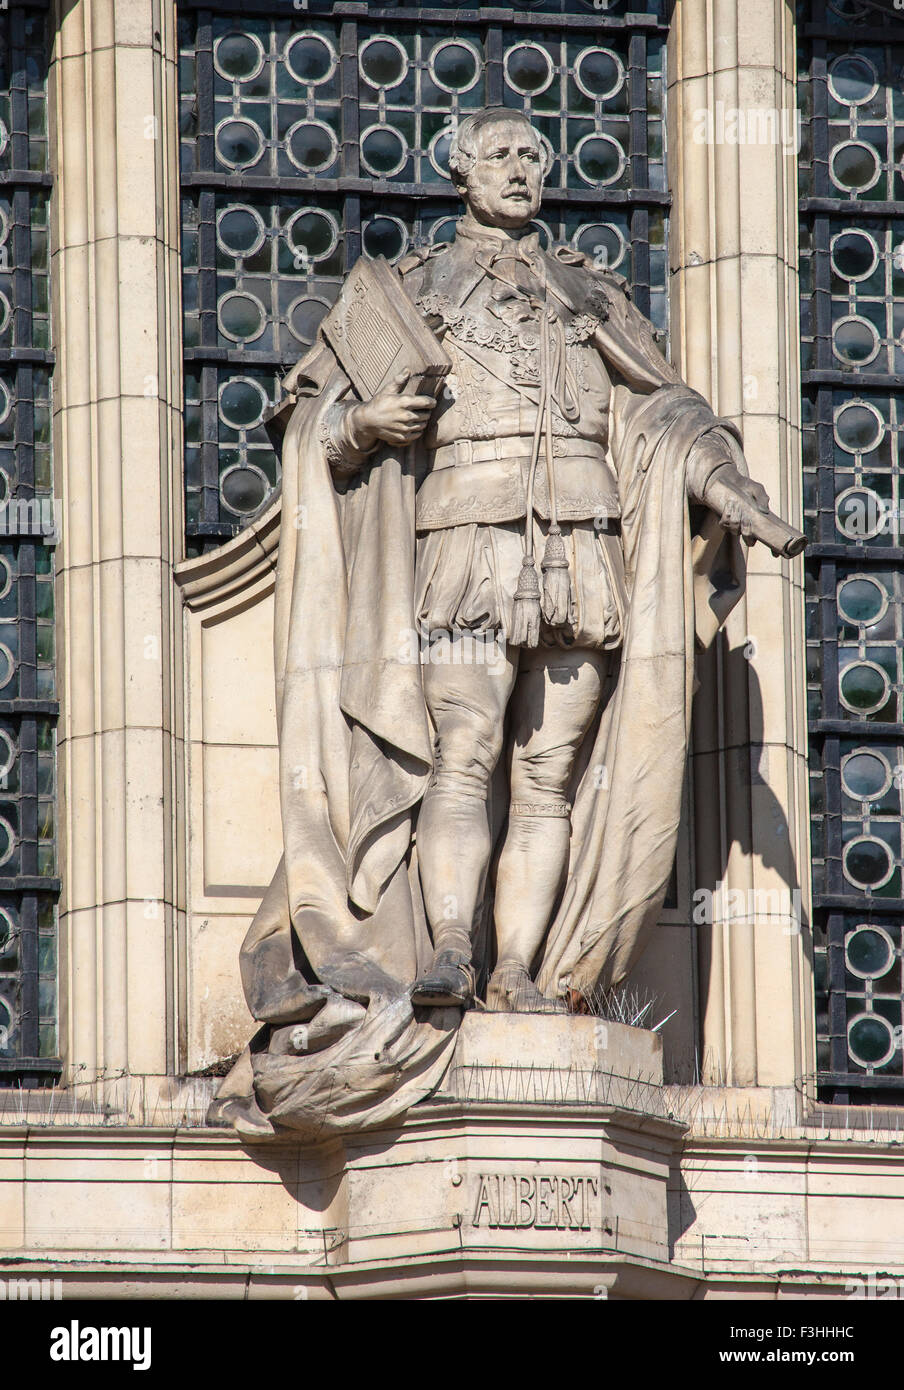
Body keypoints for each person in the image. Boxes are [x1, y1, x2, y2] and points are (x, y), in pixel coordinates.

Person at [210, 106, 802, 1140]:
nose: (521, 171)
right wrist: (359, 425)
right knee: (465, 747)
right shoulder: (410, 291)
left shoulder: (593, 292)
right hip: (464, 544)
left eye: (535, 155)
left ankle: (520, 970)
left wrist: (730, 488)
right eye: (499, 155)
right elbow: (309, 419)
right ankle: (448, 947)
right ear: (458, 172)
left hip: (579, 545)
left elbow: (666, 413)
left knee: (549, 774)